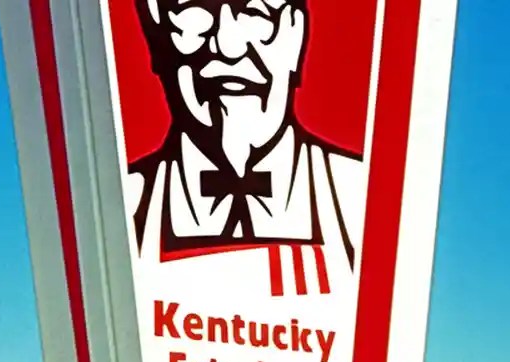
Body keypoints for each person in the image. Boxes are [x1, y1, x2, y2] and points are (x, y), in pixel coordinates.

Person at [127, 0, 366, 299]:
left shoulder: (360, 199)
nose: (229, 46)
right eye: (196, 14)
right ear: (158, 43)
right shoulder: (123, 203)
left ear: (294, 37)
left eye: (256, 13)